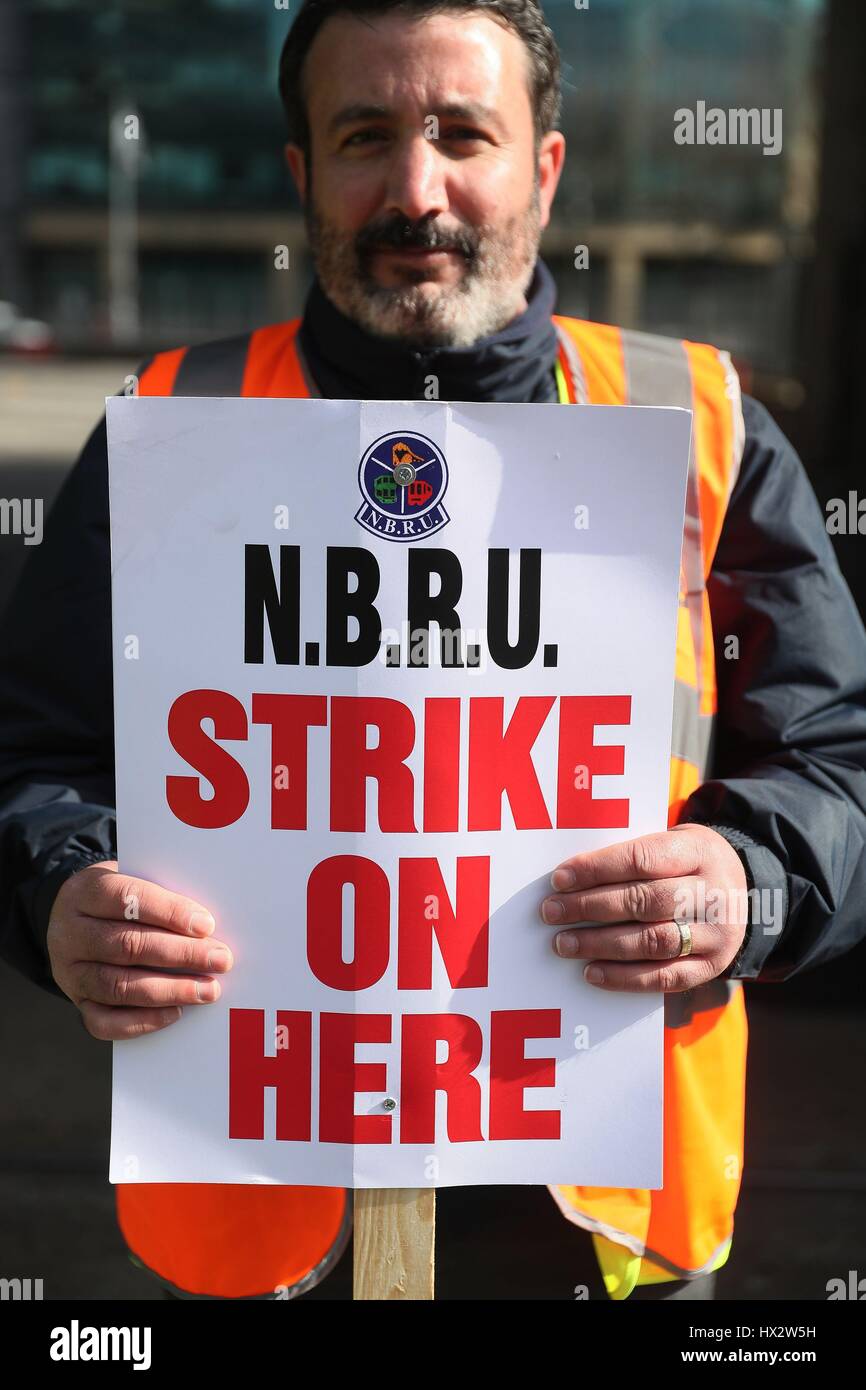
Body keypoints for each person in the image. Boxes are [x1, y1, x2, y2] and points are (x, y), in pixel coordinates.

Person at [1, 0, 865, 1303]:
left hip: (592, 1209)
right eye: (364, 137)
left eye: (463, 133)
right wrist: (56, 888)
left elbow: (837, 760)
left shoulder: (701, 428)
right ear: (302, 173)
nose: (416, 191)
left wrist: (749, 881)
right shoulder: (170, 431)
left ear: (543, 167)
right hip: (262, 1208)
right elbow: (35, 749)